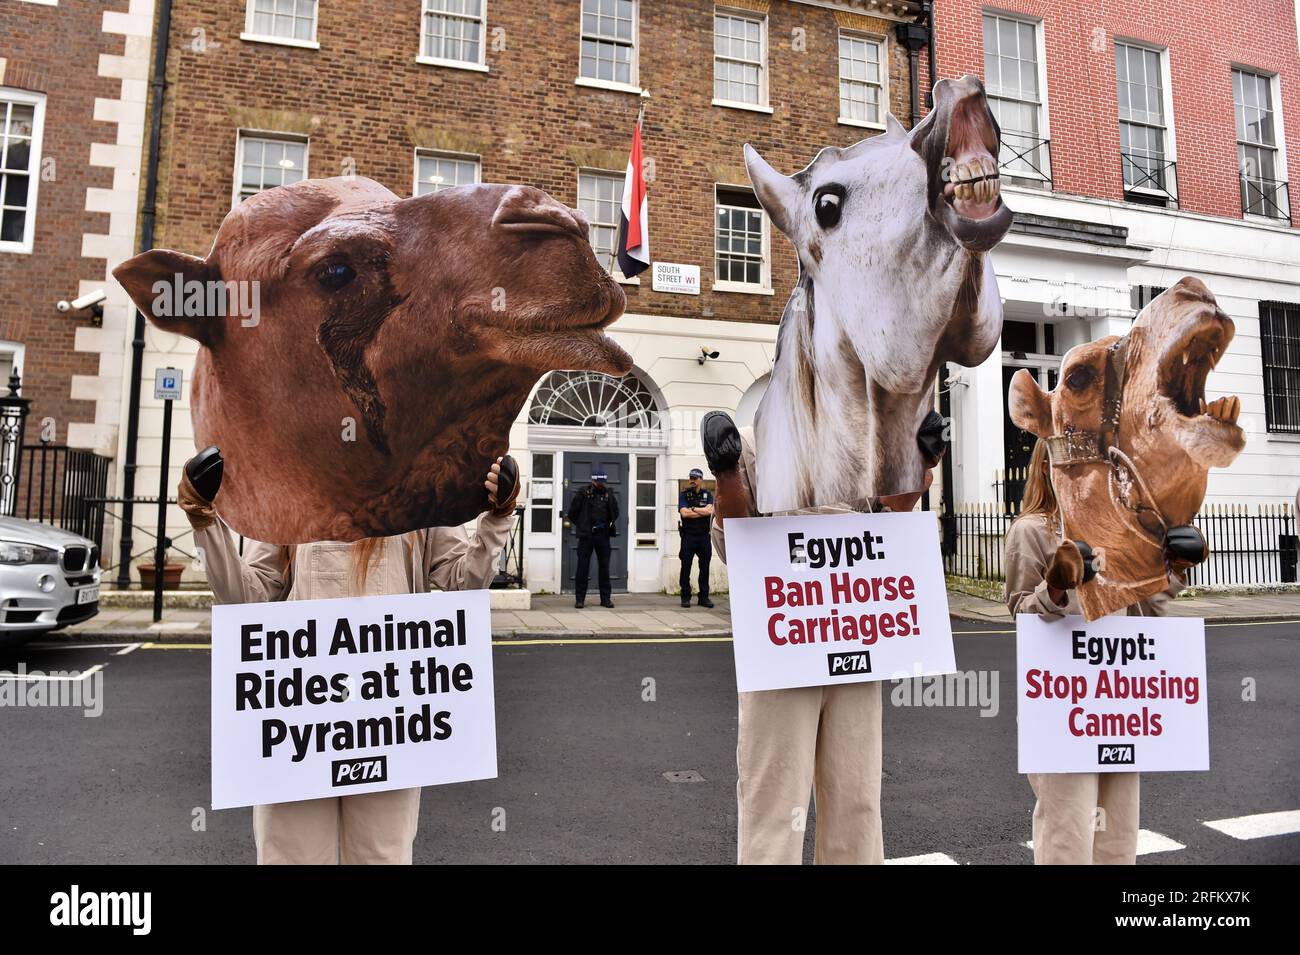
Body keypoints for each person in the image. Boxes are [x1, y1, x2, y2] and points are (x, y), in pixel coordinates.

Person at [177, 447, 518, 865]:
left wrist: (498, 517)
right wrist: (204, 519)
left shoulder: (419, 488)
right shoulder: (291, 487)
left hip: (389, 718)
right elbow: (247, 597)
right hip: (297, 718)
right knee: (291, 855)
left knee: (381, 856)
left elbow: (462, 583)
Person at [701, 410, 932, 864]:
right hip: (782, 653)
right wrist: (727, 473)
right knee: (774, 796)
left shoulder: (866, 445)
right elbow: (733, 547)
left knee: (857, 793)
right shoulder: (752, 442)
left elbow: (889, 528)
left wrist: (920, 467)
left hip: (855, 643)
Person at [1004, 437, 1186, 865]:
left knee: (1119, 833)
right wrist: (1056, 587)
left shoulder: (1119, 533)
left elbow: (1149, 605)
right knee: (1067, 831)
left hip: (1118, 699)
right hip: (1062, 703)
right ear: (1049, 470)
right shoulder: (1030, 531)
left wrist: (1172, 571)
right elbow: (1022, 614)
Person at [566, 469, 618, 609]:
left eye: (602, 482)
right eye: (598, 482)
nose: (600, 485)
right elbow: (572, 513)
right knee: (582, 568)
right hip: (586, 536)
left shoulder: (609, 494)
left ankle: (605, 599)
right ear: (592, 480)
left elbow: (615, 513)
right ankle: (580, 599)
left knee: (604, 568)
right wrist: (583, 525)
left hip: (603, 535)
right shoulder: (583, 494)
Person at [678, 467, 715, 608]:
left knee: (704, 568)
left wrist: (692, 509)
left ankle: (703, 597)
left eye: (694, 478)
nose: (691, 481)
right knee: (686, 566)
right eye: (690, 478)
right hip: (688, 536)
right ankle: (685, 597)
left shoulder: (708, 495)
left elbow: (711, 511)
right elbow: (684, 514)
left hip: (704, 536)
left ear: (700, 480)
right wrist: (701, 511)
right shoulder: (684, 495)